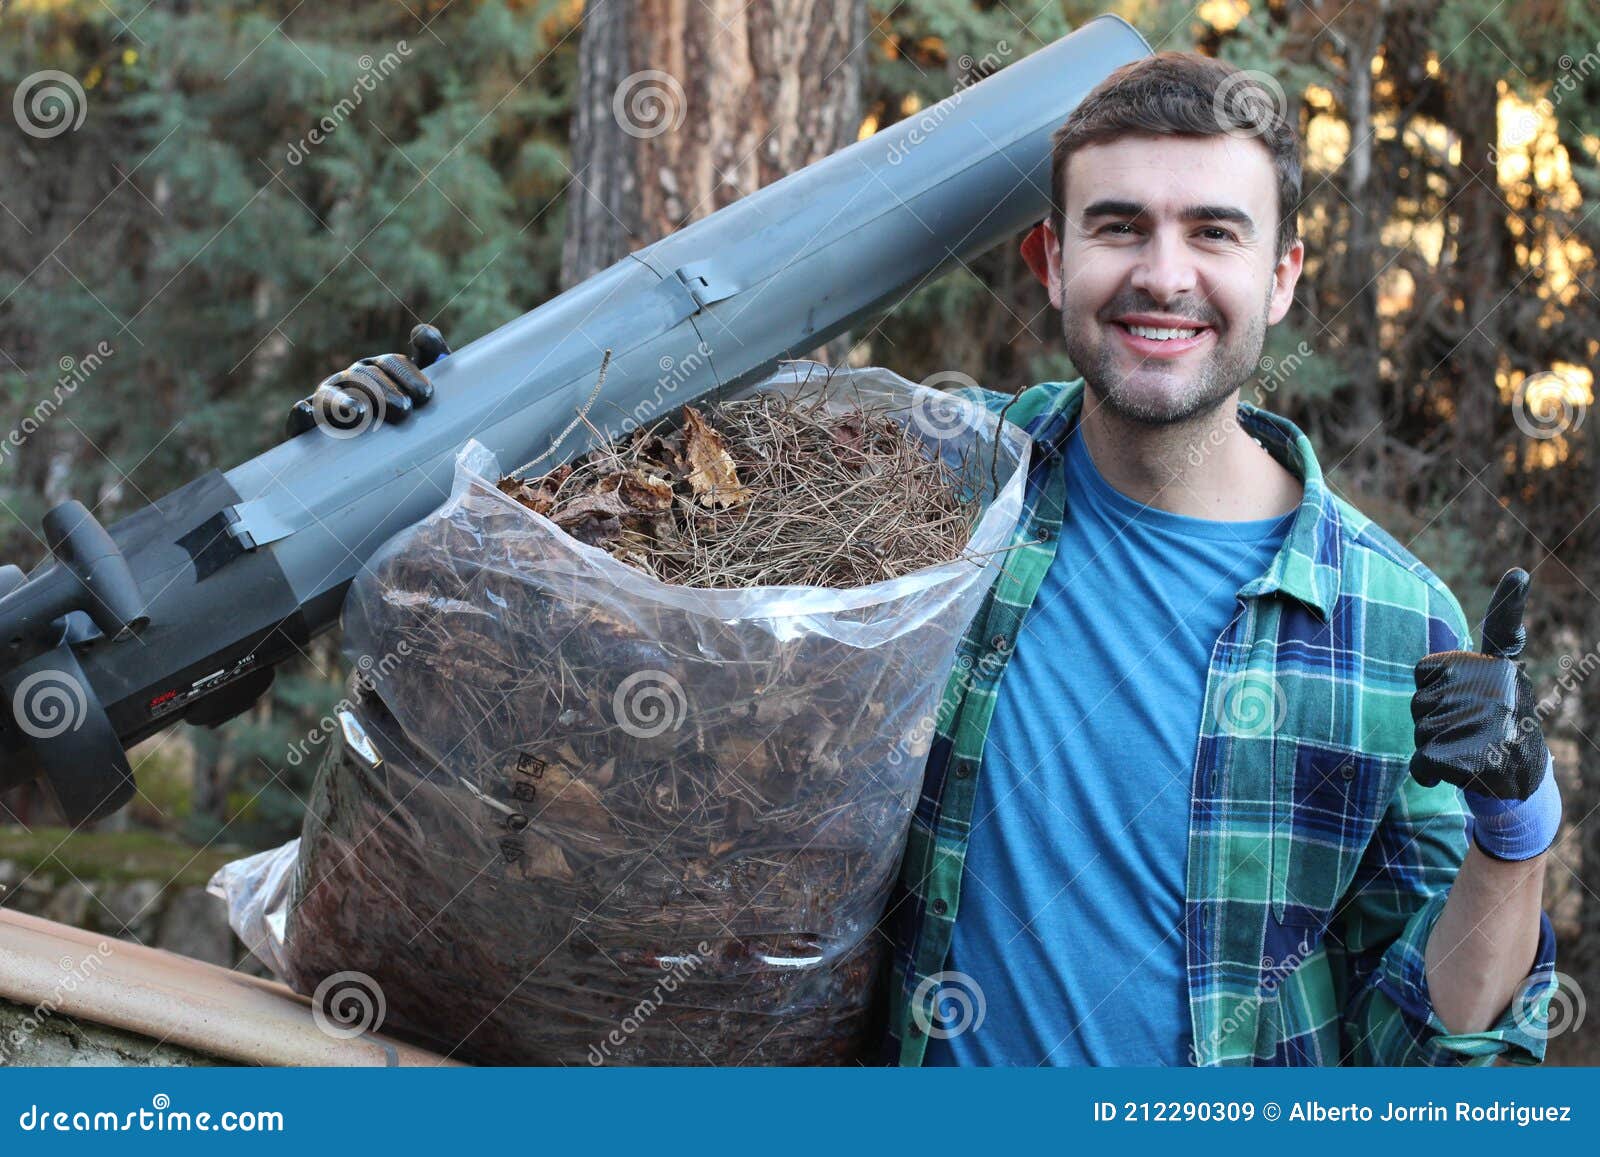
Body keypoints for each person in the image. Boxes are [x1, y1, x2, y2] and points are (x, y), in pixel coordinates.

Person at [883, 51, 1561, 1066]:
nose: (1163, 274)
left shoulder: (1392, 621)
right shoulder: (945, 488)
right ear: (1051, 261)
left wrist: (1514, 825)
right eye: (1118, 225)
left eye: (1212, 231)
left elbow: (1431, 1053)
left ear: (1281, 274)